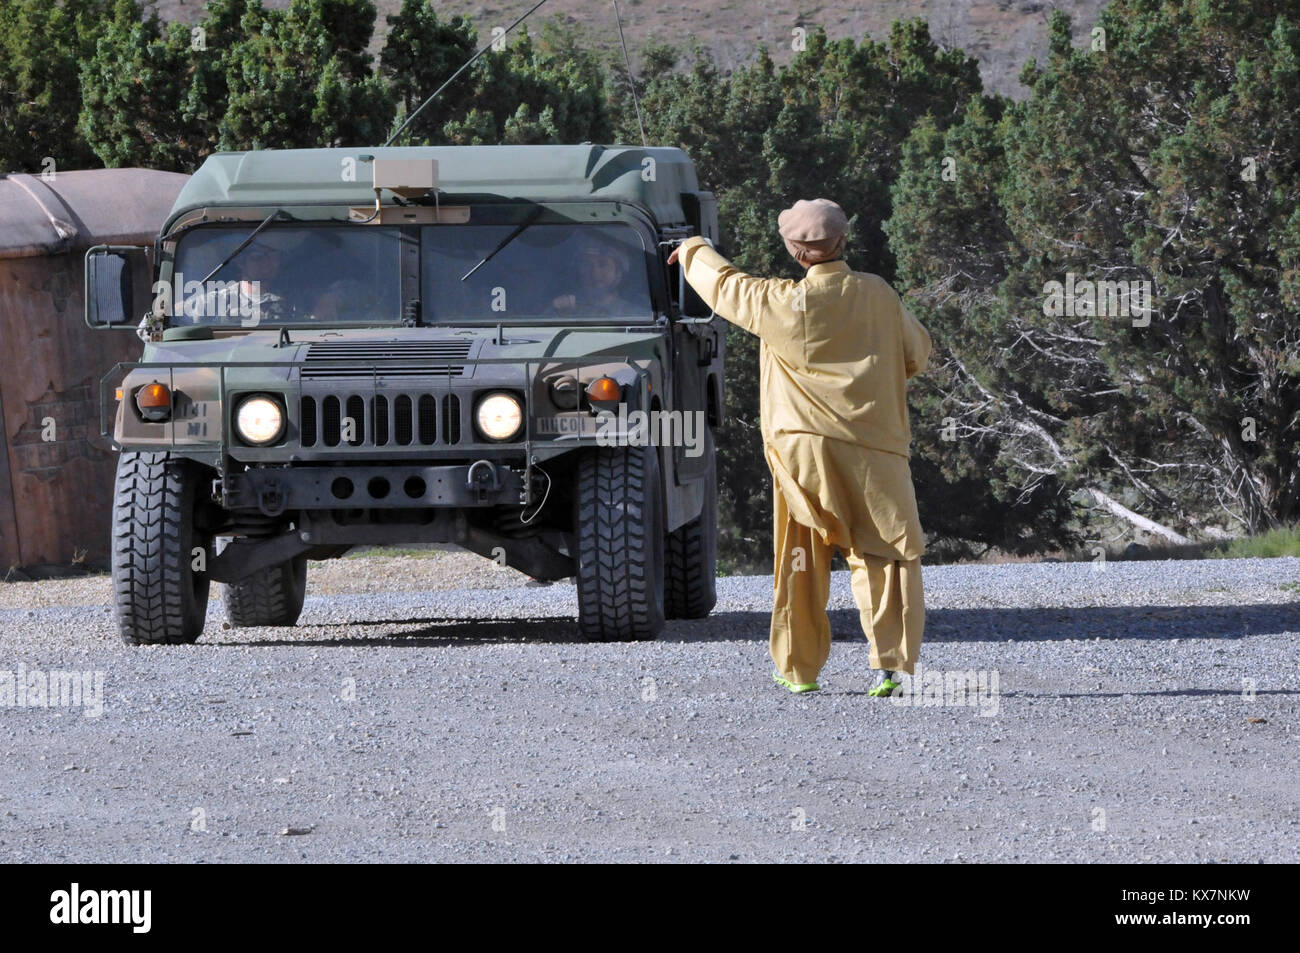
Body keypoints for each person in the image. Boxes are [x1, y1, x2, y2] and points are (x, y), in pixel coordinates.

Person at [668, 198, 932, 697]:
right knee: (886, 552)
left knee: (800, 554)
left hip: (802, 451)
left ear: (795, 251)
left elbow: (725, 286)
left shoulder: (780, 302)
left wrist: (692, 248)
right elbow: (917, 354)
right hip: (875, 446)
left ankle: (799, 669)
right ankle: (891, 668)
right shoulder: (878, 293)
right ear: (843, 241)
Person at [552, 235, 635, 317]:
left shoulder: (635, 314)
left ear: (617, 271)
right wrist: (563, 315)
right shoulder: (562, 307)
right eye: (587, 264)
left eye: (603, 264)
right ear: (579, 270)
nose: (595, 272)